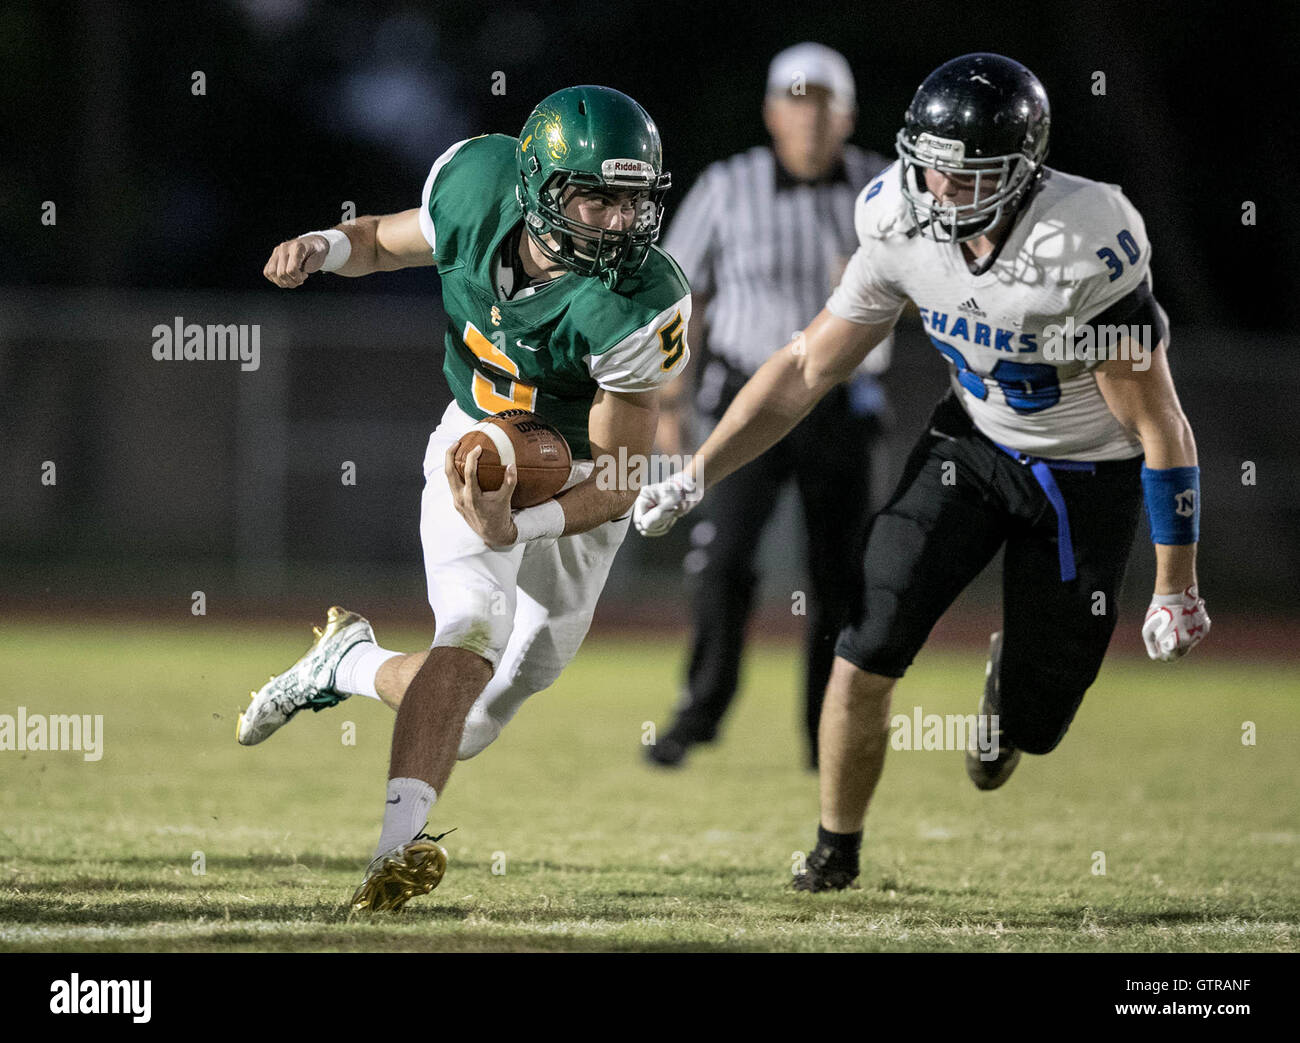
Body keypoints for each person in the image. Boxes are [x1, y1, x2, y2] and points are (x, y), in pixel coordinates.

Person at [633, 54, 1210, 892]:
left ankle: (1012, 695)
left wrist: (1176, 583)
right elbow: (803, 367)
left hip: (1083, 471)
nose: (939, 190)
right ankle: (835, 848)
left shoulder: (1083, 242)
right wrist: (697, 471)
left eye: (965, 175)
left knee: (1039, 722)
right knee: (865, 640)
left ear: (1023, 171)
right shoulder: (895, 218)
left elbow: (1158, 422)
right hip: (970, 445)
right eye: (929, 166)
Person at [244, 85, 691, 911]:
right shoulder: (474, 183)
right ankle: (393, 849)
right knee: (471, 634)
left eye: (634, 201)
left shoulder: (640, 302)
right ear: (537, 187)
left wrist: (523, 523)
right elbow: (378, 241)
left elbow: (625, 480)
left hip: (582, 484)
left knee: (484, 715)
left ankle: (348, 662)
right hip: (477, 449)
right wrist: (320, 244)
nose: (618, 220)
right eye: (595, 196)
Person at [647, 43, 892, 770]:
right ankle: (701, 709)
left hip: (845, 400)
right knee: (720, 561)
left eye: (821, 101)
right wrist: (669, 401)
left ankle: (827, 729)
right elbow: (677, 293)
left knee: (841, 574)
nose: (808, 116)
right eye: (795, 99)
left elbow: (933, 289)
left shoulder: (884, 188)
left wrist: (882, 294)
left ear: (845, 114)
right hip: (746, 393)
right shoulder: (728, 185)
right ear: (770, 111)